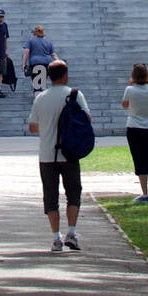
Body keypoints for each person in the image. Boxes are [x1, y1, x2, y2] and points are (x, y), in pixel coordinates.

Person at [28, 60, 91, 251]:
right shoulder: (74, 95)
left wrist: (47, 125)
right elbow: (87, 119)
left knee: (50, 195)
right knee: (73, 193)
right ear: (65, 75)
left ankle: (56, 238)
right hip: (69, 151)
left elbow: (32, 127)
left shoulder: (41, 98)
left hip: (47, 154)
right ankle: (72, 233)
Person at [121, 62, 148, 202]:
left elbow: (125, 105)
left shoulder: (129, 90)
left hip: (134, 127)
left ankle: (144, 193)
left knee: (139, 159)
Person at [22, 25, 57, 99]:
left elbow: (26, 52)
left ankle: (38, 102)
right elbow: (53, 54)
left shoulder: (31, 40)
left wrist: (24, 64)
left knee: (37, 85)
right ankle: (42, 100)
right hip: (47, 64)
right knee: (42, 83)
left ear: (34, 33)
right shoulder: (48, 41)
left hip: (35, 63)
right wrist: (59, 62)